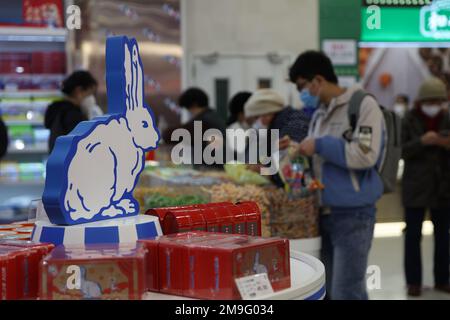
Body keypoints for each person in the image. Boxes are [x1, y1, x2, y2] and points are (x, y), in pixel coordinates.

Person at [286, 50, 385, 300]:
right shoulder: (319, 113)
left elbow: (365, 154)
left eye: (303, 86)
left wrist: (320, 145)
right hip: (324, 212)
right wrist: (295, 148)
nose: (302, 94)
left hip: (354, 214)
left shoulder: (362, 105)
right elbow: (318, 157)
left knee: (347, 291)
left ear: (318, 80)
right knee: (328, 290)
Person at [401, 77, 450, 297]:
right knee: (412, 236)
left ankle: (443, 279)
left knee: (444, 237)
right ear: (421, 102)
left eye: (438, 101)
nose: (434, 106)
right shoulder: (408, 120)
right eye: (430, 101)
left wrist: (442, 143)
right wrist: (422, 142)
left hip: (444, 188)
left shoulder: (448, 118)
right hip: (415, 187)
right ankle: (413, 282)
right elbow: (400, 150)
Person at [243, 88, 310, 186]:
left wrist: (261, 170)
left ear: (266, 114)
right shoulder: (276, 127)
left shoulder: (294, 127)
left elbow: (287, 171)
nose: (255, 124)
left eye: (255, 118)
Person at [162, 87, 226, 169]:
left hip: (212, 169)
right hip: (221, 166)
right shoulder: (215, 117)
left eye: (188, 109)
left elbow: (169, 135)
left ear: (193, 105)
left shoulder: (203, 121)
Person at [45, 71, 98, 153]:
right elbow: (84, 146)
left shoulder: (57, 109)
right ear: (78, 91)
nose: (92, 98)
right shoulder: (73, 115)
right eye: (90, 94)